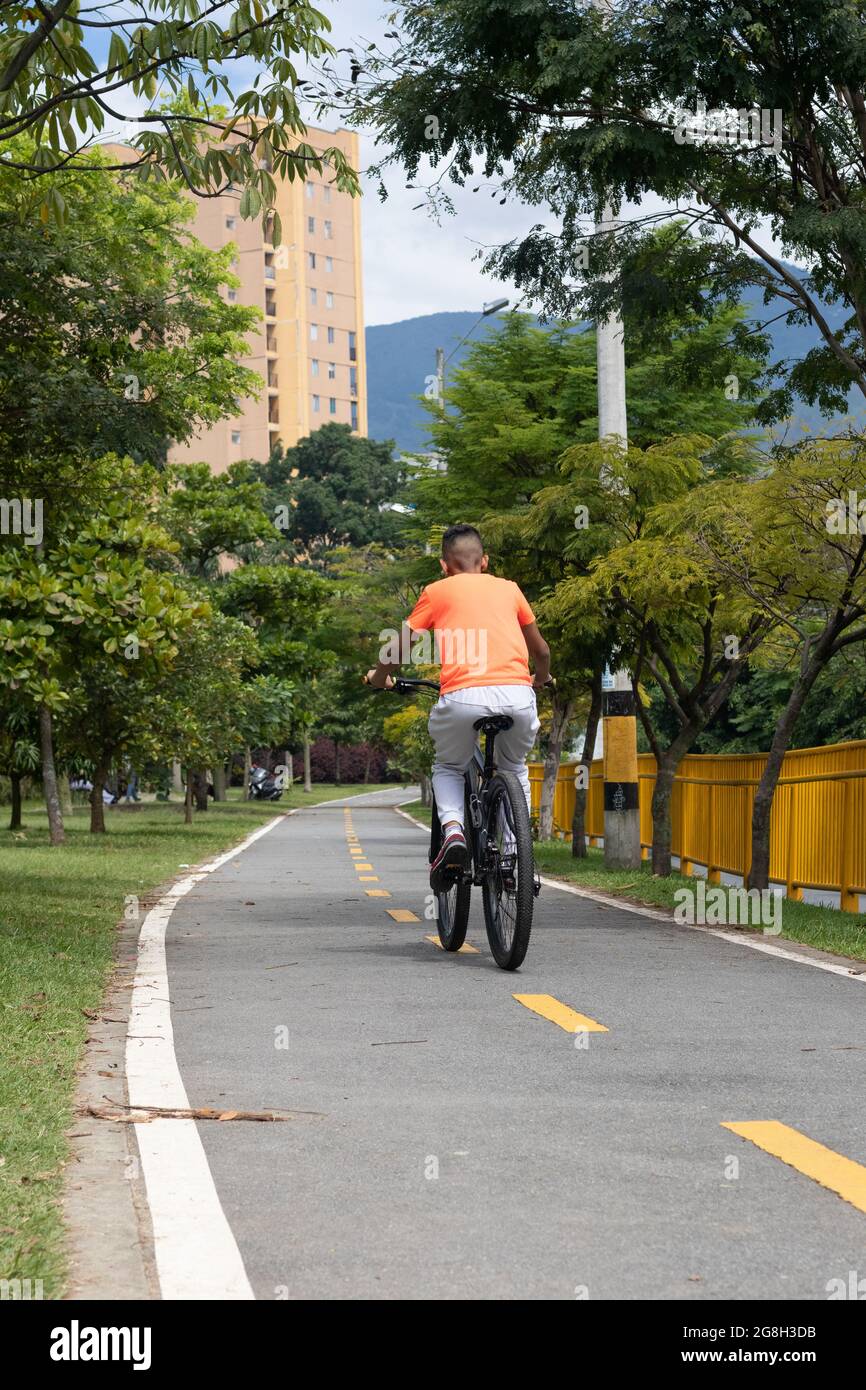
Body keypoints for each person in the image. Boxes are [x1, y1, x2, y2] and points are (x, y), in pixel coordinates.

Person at [365, 523, 552, 889]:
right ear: (485, 561)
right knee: (514, 769)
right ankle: (516, 855)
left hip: (462, 697)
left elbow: (399, 647)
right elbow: (542, 652)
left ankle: (453, 831)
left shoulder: (436, 592)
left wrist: (377, 677)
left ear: (443, 565)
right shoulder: (510, 589)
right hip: (517, 696)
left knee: (449, 765)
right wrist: (541, 678)